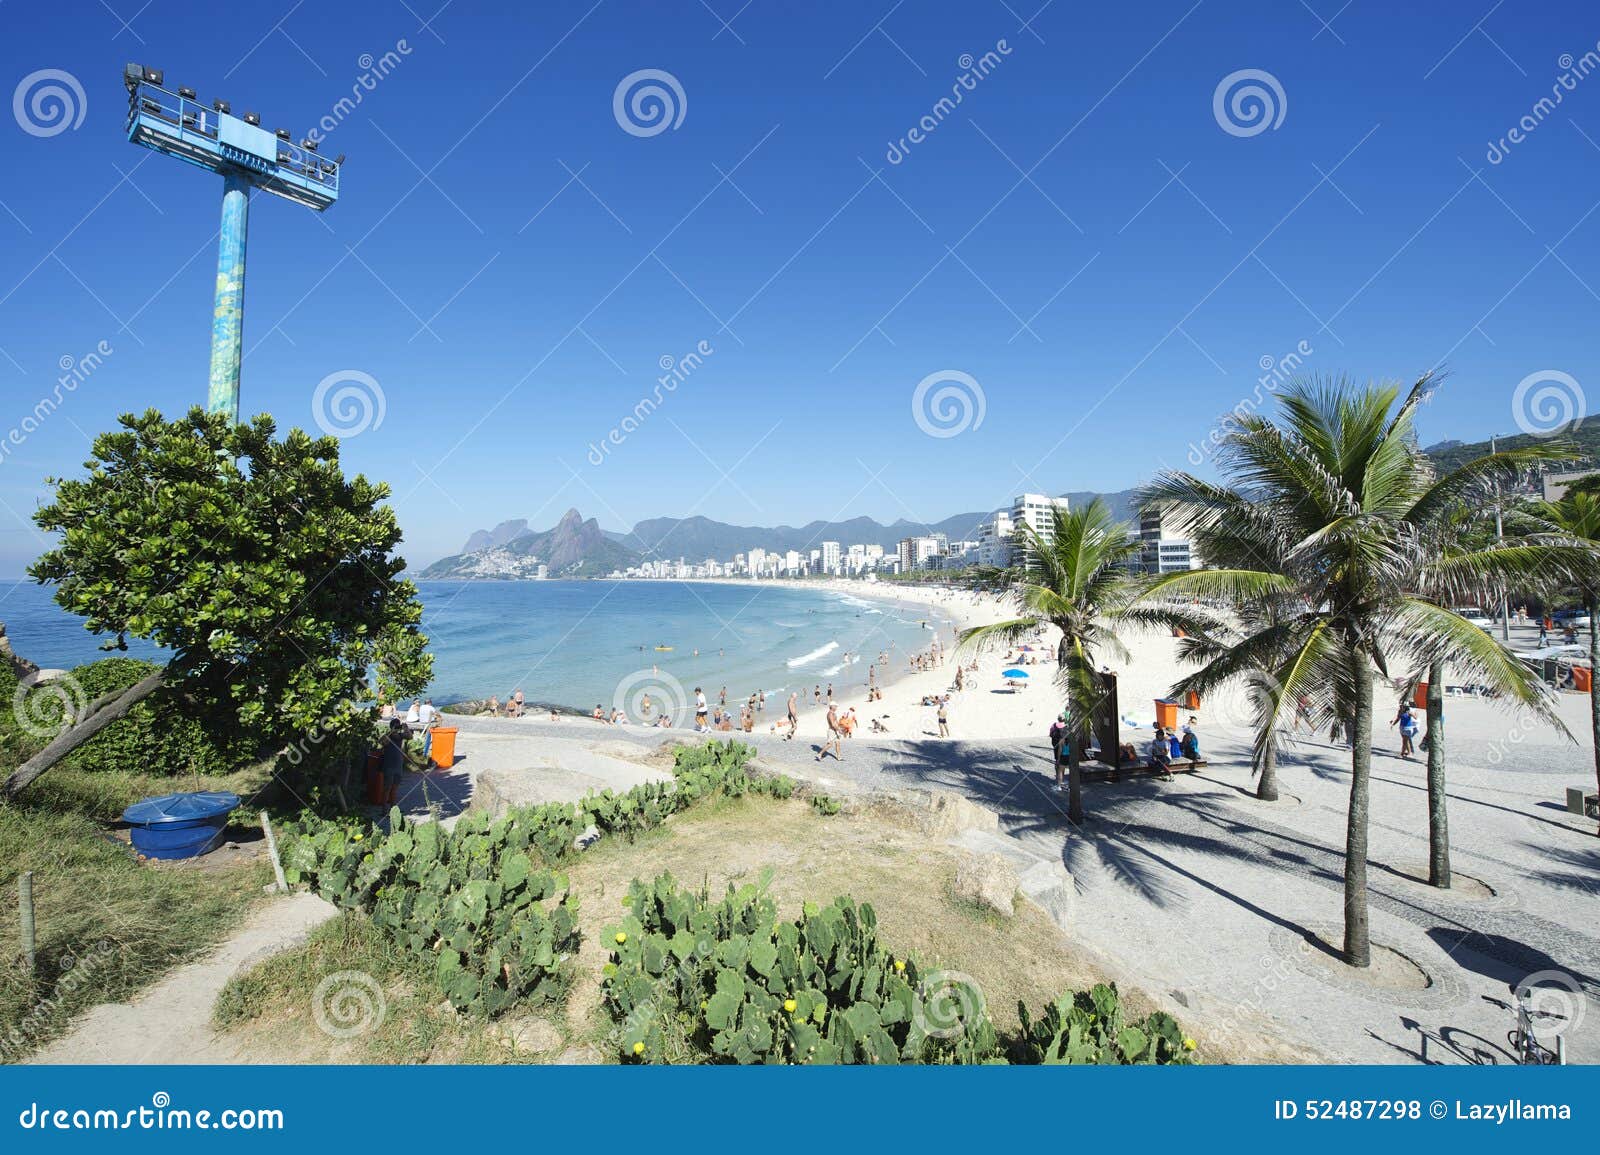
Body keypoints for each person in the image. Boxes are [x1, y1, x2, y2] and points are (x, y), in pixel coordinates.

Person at [379, 717, 408, 805]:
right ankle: (384, 810)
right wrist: (392, 731)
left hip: (398, 766)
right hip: (389, 766)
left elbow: (410, 736)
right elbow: (381, 742)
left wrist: (405, 728)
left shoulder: (400, 736)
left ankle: (393, 808)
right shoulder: (388, 736)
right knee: (387, 788)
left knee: (394, 788)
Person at [1048, 711, 1069, 793]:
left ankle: (1058, 780)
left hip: (1056, 746)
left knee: (1057, 762)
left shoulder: (1053, 725)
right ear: (1065, 719)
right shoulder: (1066, 727)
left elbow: (1050, 734)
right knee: (1062, 765)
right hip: (1065, 748)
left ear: (1058, 719)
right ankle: (1061, 779)